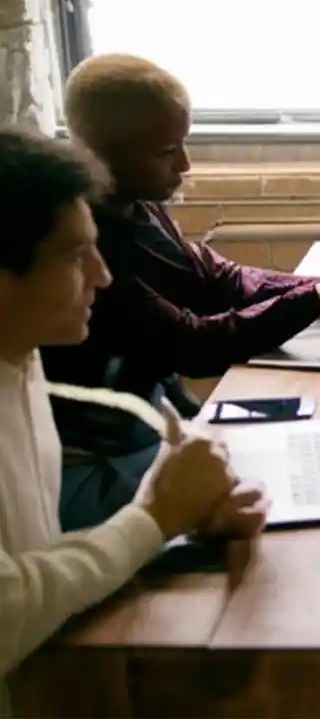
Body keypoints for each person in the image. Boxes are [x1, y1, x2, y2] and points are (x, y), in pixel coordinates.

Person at [40, 53, 320, 532]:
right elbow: (193, 345)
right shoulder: (90, 246)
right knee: (281, 495)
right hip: (103, 460)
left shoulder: (137, 205)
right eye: (167, 152)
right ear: (102, 156)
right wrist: (314, 300)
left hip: (148, 422)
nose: (186, 164)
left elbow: (216, 281)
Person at [0, 127, 265, 710]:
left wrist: (179, 522)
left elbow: (28, 563)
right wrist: (152, 519)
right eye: (74, 255)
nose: (102, 274)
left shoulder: (19, 362)